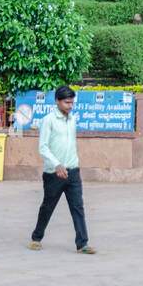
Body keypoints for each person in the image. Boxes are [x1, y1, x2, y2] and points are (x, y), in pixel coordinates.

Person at [28, 85, 95, 253]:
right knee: (48, 206)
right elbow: (43, 147)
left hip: (72, 171)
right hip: (53, 173)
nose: (70, 106)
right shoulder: (48, 120)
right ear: (57, 101)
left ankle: (82, 244)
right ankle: (36, 238)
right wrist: (57, 164)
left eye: (72, 103)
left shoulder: (72, 119)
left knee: (78, 207)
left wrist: (71, 165)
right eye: (66, 103)